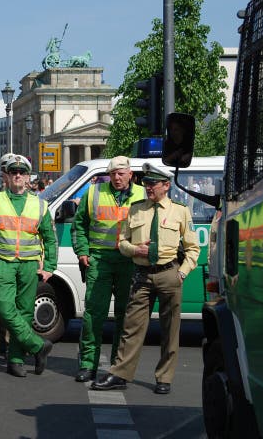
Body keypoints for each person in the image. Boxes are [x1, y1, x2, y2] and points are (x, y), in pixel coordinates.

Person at [91, 163, 200, 395]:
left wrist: (182, 272)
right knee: (131, 327)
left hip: (169, 273)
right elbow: (122, 242)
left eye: (153, 184)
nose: (148, 187)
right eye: (146, 183)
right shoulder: (136, 209)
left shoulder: (180, 211)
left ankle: (164, 377)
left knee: (170, 330)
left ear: (166, 186)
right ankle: (120, 374)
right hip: (141, 274)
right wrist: (135, 250)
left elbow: (193, 248)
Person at [0, 154, 57, 377]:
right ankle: (38, 345)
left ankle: (16, 359)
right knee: (5, 309)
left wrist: (49, 266)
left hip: (29, 265)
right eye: (13, 172)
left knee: (26, 313)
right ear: (6, 176)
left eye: (22, 172)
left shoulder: (39, 205)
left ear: (28, 178)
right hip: (4, 264)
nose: (18, 175)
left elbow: (50, 238)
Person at [71, 156, 145, 383]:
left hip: (129, 261)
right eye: (113, 173)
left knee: (126, 316)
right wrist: (82, 252)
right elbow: (79, 225)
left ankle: (118, 366)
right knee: (94, 314)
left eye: (121, 173)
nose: (117, 177)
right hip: (99, 260)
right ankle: (87, 364)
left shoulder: (142, 194)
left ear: (130, 174)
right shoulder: (93, 192)